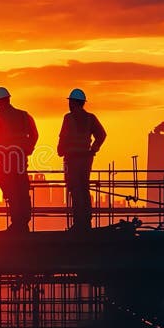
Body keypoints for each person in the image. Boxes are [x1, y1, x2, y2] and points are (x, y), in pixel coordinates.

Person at [0, 87, 39, 234]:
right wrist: (28, 148)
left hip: (6, 162)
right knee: (22, 190)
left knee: (11, 192)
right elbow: (34, 134)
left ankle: (17, 224)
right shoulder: (24, 115)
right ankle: (23, 223)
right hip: (20, 160)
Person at [57, 88, 106, 232]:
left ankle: (79, 223)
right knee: (83, 190)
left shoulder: (68, 118)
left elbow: (63, 138)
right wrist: (93, 149)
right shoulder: (90, 118)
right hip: (85, 159)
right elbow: (102, 135)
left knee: (75, 189)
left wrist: (61, 150)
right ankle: (85, 222)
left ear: (73, 102)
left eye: (70, 102)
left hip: (72, 160)